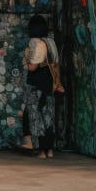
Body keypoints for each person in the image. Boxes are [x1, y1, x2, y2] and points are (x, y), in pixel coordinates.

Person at [20, 14, 58, 159]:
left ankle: (41, 151)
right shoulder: (51, 42)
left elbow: (32, 67)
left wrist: (26, 61)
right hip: (49, 83)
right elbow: (55, 62)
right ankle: (50, 150)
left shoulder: (35, 42)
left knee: (36, 117)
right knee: (49, 116)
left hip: (36, 84)